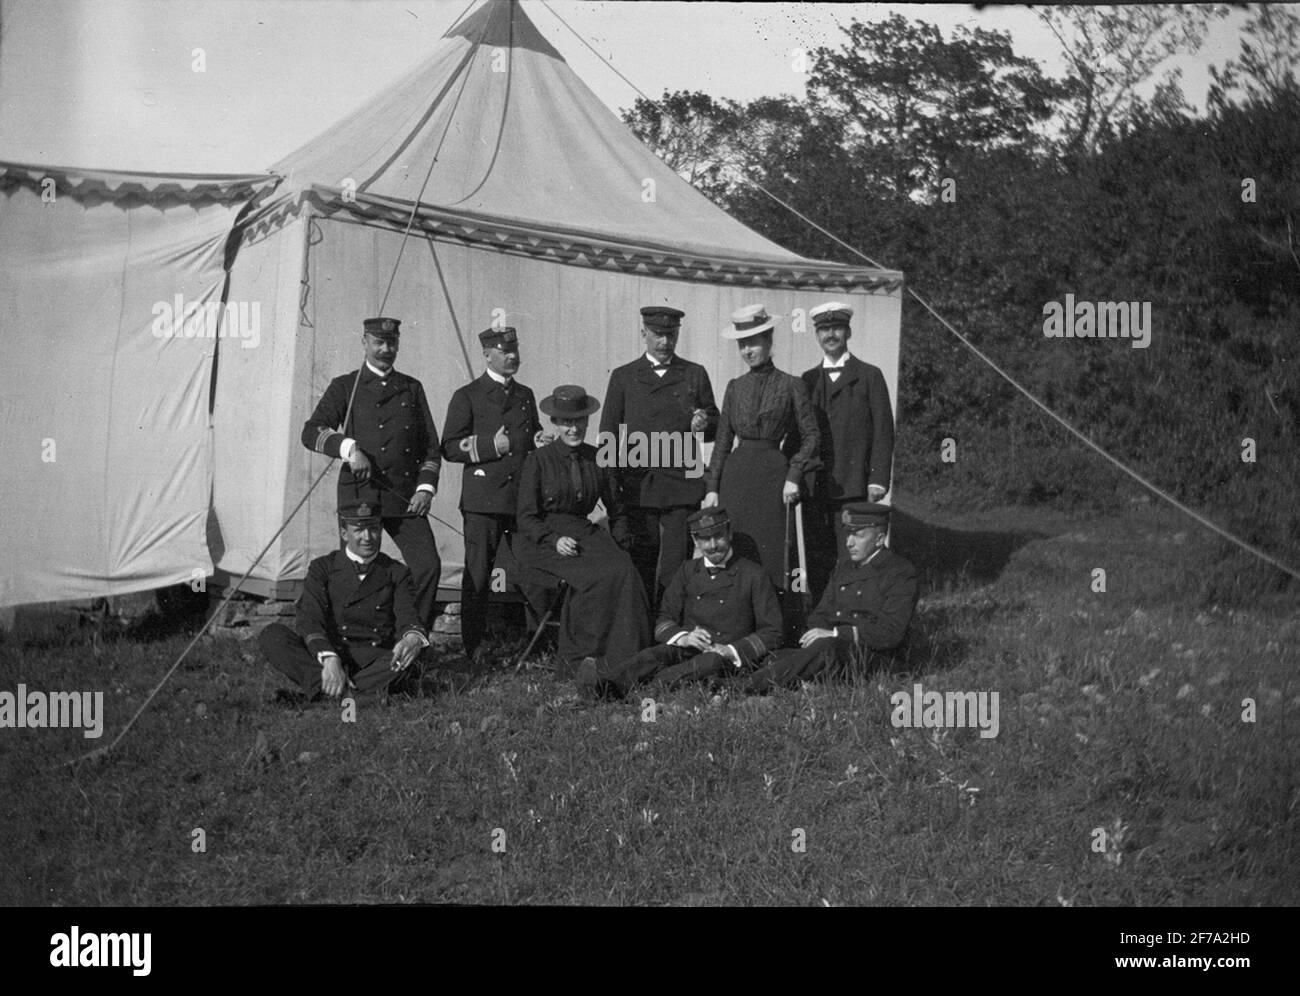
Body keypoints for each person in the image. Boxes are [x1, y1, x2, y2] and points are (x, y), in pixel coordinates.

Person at [301, 316, 442, 630]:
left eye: (392, 342)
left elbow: (431, 447)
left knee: (428, 566)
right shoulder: (345, 386)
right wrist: (350, 449)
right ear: (364, 341)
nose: (386, 349)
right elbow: (311, 432)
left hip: (405, 497)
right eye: (379, 342)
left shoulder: (411, 388)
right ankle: (352, 642)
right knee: (354, 573)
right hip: (359, 494)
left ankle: (411, 638)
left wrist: (425, 489)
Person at [515, 384, 652, 675]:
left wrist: (620, 544)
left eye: (578, 421)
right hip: (544, 539)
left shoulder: (597, 457)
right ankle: (581, 660)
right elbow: (526, 517)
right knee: (593, 578)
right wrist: (553, 540)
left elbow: (616, 508)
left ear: (587, 421)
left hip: (584, 531)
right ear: (555, 423)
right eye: (566, 422)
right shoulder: (538, 460)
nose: (573, 429)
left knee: (625, 569)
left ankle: (625, 655)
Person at [577, 506, 782, 700]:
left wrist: (731, 650)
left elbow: (773, 631)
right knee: (656, 653)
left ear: (729, 534)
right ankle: (606, 684)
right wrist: (684, 638)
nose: (712, 545)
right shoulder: (687, 571)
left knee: (710, 661)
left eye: (718, 536)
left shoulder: (754, 575)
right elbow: (664, 619)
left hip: (727, 660)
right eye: (705, 539)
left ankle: (637, 692)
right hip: (687, 650)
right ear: (695, 540)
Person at [600, 305, 718, 609]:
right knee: (641, 561)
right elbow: (608, 436)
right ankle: (640, 629)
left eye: (671, 335)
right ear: (644, 334)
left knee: (675, 565)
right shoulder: (624, 376)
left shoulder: (694, 373)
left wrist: (704, 422)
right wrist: (613, 490)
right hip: (640, 485)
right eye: (657, 335)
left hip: (682, 485)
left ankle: (672, 629)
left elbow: (716, 423)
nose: (664, 342)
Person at [441, 325, 546, 659]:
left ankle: (535, 645)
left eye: (515, 350)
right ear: (487, 355)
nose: (513, 356)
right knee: (478, 574)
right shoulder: (467, 395)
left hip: (520, 500)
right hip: (483, 501)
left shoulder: (525, 395)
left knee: (531, 571)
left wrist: (540, 441)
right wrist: (491, 446)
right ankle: (473, 646)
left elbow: (531, 434)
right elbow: (449, 446)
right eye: (504, 351)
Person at [259, 497, 429, 701]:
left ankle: (327, 695)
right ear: (344, 533)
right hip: (332, 653)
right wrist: (329, 658)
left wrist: (411, 638)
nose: (367, 537)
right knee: (272, 635)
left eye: (373, 529)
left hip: (373, 659)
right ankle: (353, 694)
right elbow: (310, 619)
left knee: (411, 658)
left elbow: (408, 616)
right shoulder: (322, 568)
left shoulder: (396, 572)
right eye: (358, 530)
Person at [703, 304, 820, 596]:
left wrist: (794, 474)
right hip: (736, 479)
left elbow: (811, 436)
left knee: (774, 553)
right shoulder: (734, 387)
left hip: (774, 481)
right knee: (737, 551)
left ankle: (780, 626)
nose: (747, 350)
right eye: (742, 344)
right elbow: (722, 441)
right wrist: (712, 487)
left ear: (769, 341)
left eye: (753, 342)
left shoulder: (792, 385)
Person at [744, 502, 918, 693]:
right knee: (777, 656)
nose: (849, 542)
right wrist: (818, 634)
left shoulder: (899, 572)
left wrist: (835, 634)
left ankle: (742, 686)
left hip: (875, 658)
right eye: (848, 534)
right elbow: (821, 614)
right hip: (834, 652)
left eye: (858, 535)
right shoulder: (844, 567)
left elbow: (890, 633)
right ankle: (802, 681)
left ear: (879, 539)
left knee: (823, 651)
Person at [801, 301, 895, 603]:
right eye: (824, 329)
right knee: (818, 557)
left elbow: (884, 432)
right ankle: (819, 615)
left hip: (853, 486)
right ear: (817, 335)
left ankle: (851, 618)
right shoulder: (806, 381)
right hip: (815, 487)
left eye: (837, 328)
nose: (831, 334)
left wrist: (878, 478)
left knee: (851, 554)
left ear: (848, 332)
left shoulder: (869, 376)